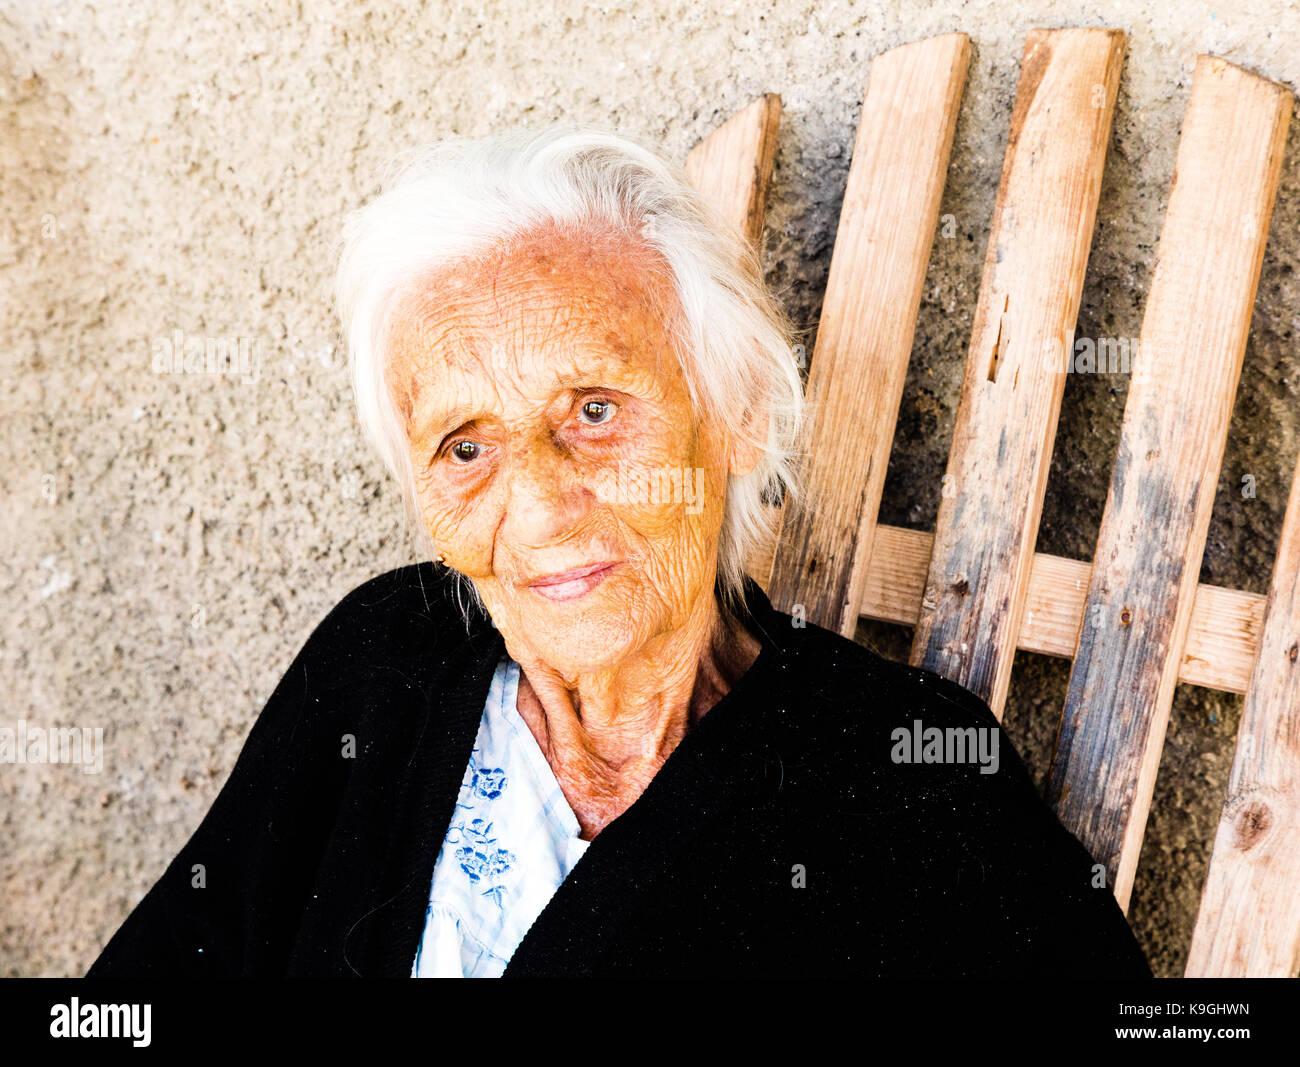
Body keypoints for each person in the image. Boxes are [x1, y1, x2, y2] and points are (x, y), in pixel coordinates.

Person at [88, 124, 1151, 978]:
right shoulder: (382, 666)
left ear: (730, 412)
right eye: (466, 445)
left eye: (594, 409)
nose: (541, 503)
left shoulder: (908, 778)